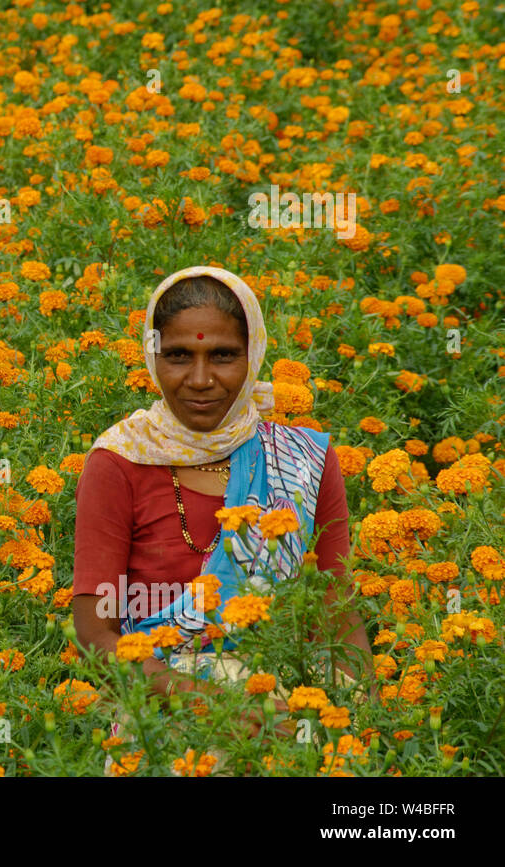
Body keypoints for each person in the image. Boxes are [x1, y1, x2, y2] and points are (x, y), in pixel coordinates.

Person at [71, 265, 373, 755]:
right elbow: (95, 635)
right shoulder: (119, 462)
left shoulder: (302, 460)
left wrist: (366, 720)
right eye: (177, 356)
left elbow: (335, 607)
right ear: (153, 357)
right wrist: (207, 702)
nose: (200, 379)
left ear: (252, 355)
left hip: (291, 697)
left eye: (223, 356)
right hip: (163, 705)